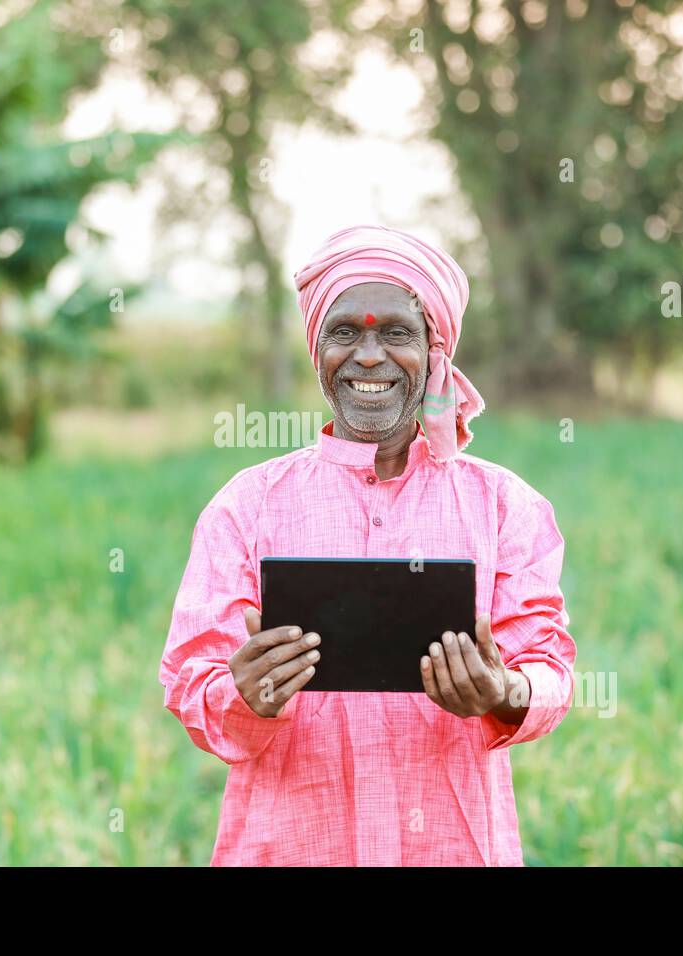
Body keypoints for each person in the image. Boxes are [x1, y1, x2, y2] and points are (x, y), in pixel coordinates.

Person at [158, 223, 577, 866]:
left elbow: (548, 672)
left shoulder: (504, 508)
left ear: (436, 349)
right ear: (316, 348)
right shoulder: (246, 507)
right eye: (345, 331)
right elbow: (191, 684)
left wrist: (503, 691)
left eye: (397, 332)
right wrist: (237, 695)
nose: (370, 356)